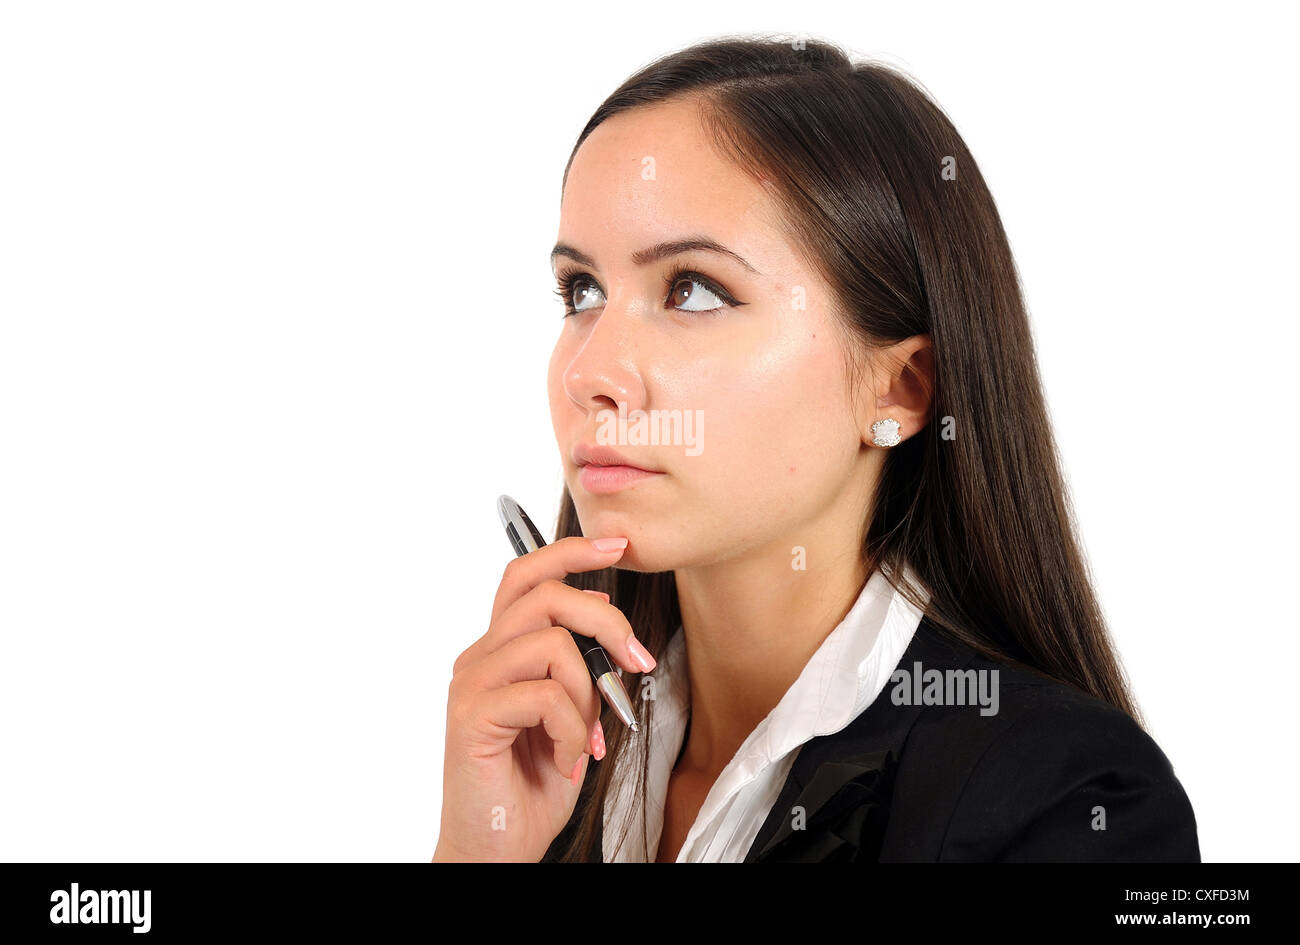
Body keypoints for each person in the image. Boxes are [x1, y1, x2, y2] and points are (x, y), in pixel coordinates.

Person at [432, 35, 1199, 863]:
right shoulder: (551, 760)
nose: (590, 373)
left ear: (898, 390)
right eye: (582, 290)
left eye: (692, 290)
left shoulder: (1065, 800)